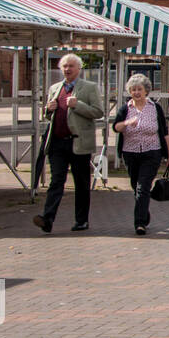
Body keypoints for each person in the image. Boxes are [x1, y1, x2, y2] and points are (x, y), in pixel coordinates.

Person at [33, 53, 104, 233]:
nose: (67, 69)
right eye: (64, 66)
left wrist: (77, 105)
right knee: (56, 181)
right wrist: (48, 110)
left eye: (71, 66)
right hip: (57, 143)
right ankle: (47, 219)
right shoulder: (55, 88)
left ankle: (81, 220)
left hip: (78, 143)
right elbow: (50, 114)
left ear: (79, 69)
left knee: (81, 183)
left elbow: (98, 112)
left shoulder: (89, 87)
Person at [112, 73, 169, 236]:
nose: (136, 92)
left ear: (146, 91)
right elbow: (116, 127)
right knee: (136, 187)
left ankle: (140, 223)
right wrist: (126, 123)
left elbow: (164, 133)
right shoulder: (126, 108)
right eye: (133, 90)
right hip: (130, 153)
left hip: (151, 152)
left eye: (139, 89)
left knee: (143, 187)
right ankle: (144, 213)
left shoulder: (155, 108)